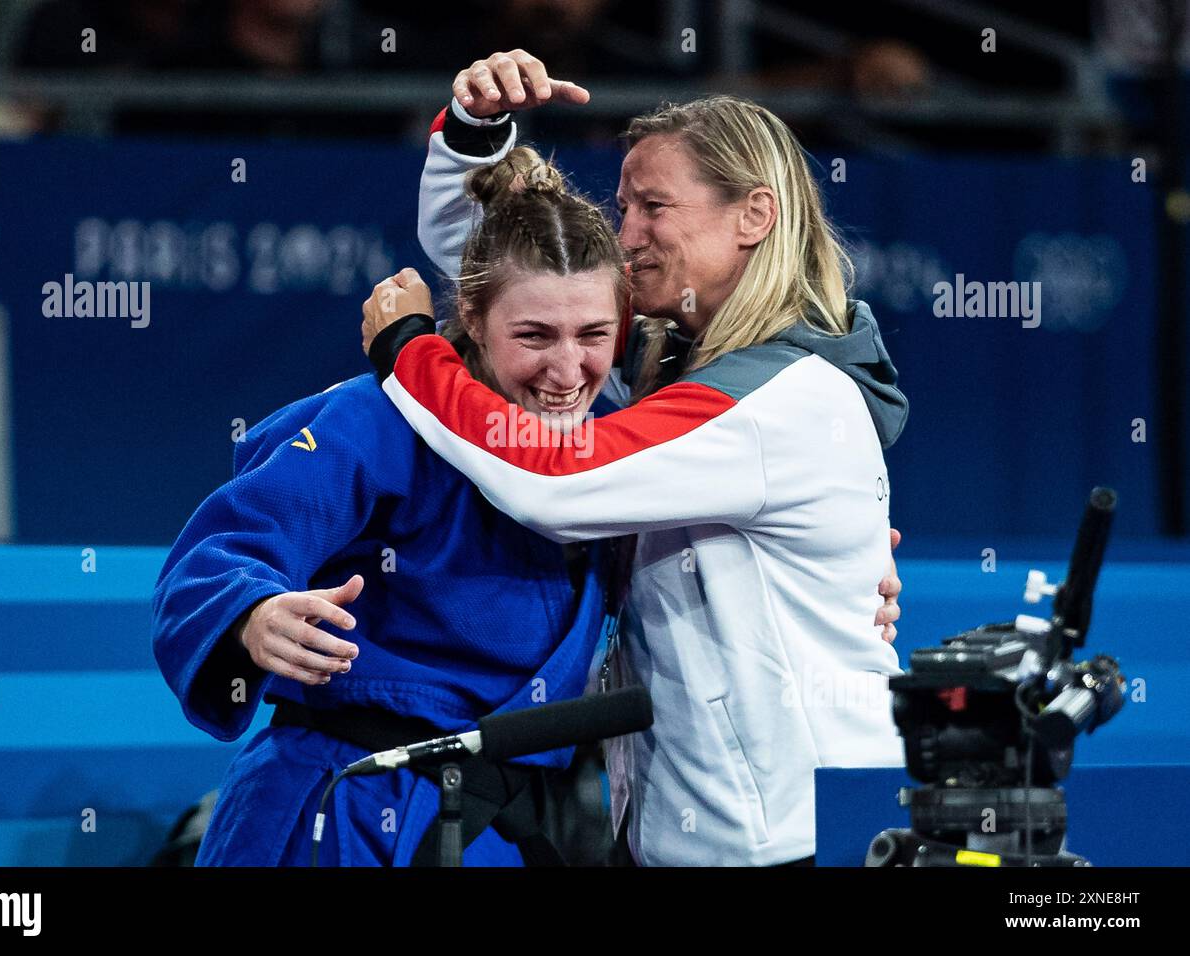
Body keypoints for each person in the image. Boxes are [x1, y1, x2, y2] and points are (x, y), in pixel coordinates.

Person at [363, 50, 908, 866]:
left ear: (753, 215)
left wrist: (409, 349)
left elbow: (554, 475)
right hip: (692, 823)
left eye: (653, 207)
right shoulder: (680, 355)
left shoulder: (779, 398)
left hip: (791, 839)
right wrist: (476, 130)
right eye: (622, 208)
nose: (626, 238)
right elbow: (508, 274)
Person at [153, 146, 629, 866]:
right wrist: (250, 614)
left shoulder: (623, 448)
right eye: (533, 335)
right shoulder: (374, 421)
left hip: (499, 826)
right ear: (470, 312)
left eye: (593, 335)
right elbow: (224, 550)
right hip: (339, 810)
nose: (567, 371)